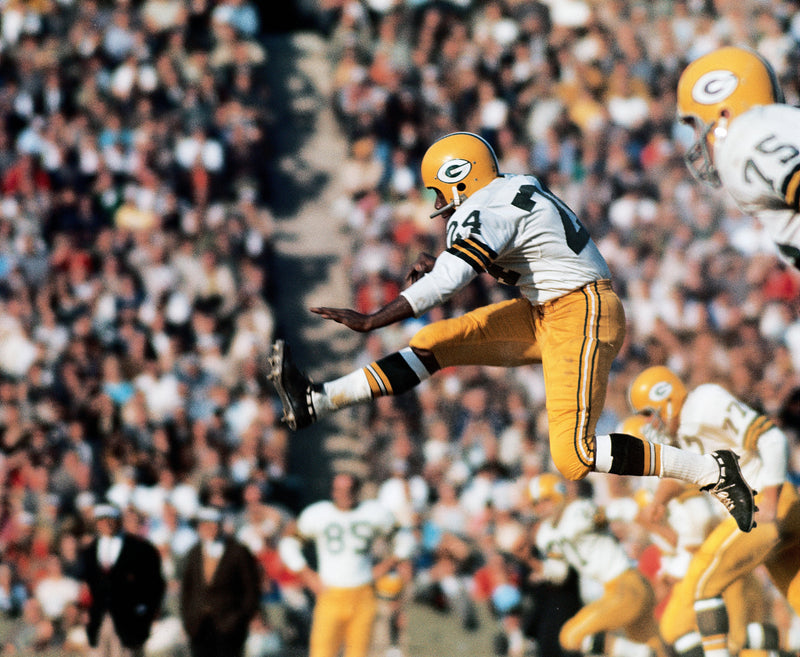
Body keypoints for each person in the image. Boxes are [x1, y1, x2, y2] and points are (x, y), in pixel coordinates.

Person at [269, 131, 757, 533]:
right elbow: (501, 250)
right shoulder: (508, 189)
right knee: (432, 343)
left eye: (438, 190)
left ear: (459, 179)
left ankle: (713, 470)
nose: (436, 203)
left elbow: (451, 279)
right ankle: (318, 400)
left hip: (581, 311)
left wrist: (373, 318)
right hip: (548, 309)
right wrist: (441, 262)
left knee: (574, 455)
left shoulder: (490, 208)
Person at [628, 366, 800, 657]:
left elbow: (772, 439)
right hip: (775, 510)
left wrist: (770, 499)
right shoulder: (684, 432)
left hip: (767, 505)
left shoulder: (703, 403)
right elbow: (686, 475)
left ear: (665, 398)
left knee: (704, 584)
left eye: (647, 412)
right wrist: (660, 501)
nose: (647, 421)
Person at [676, 46, 800, 268]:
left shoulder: (744, 137)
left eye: (696, 125)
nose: (696, 138)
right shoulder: (772, 125)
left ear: (724, 112)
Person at [277, 471, 415, 657]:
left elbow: (406, 538)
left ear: (358, 490)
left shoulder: (373, 512)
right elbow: (288, 544)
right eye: (339, 489)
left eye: (350, 489)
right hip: (329, 592)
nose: (344, 494)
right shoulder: (318, 513)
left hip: (363, 592)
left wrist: (388, 564)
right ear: (333, 491)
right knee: (321, 652)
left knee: (358, 653)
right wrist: (306, 573)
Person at [527, 472, 663, 657]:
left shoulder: (578, 511)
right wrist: (532, 561)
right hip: (613, 590)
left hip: (627, 585)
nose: (542, 508)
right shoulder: (546, 533)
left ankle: (642, 653)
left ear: (559, 494)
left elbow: (616, 510)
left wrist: (645, 513)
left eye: (546, 500)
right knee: (660, 648)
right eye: (537, 504)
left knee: (571, 635)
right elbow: (560, 573)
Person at [79, 503, 166, 657]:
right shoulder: (90, 550)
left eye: (110, 519)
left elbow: (155, 585)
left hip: (129, 622)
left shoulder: (140, 548)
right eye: (102, 520)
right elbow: (88, 584)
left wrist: (144, 612)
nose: (106, 524)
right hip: (99, 619)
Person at [179, 506, 262, 657]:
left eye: (214, 524)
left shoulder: (238, 551)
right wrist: (188, 619)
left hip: (228, 625)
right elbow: (187, 590)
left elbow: (251, 589)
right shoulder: (194, 553)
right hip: (199, 625)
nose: (210, 529)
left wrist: (240, 618)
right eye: (205, 525)